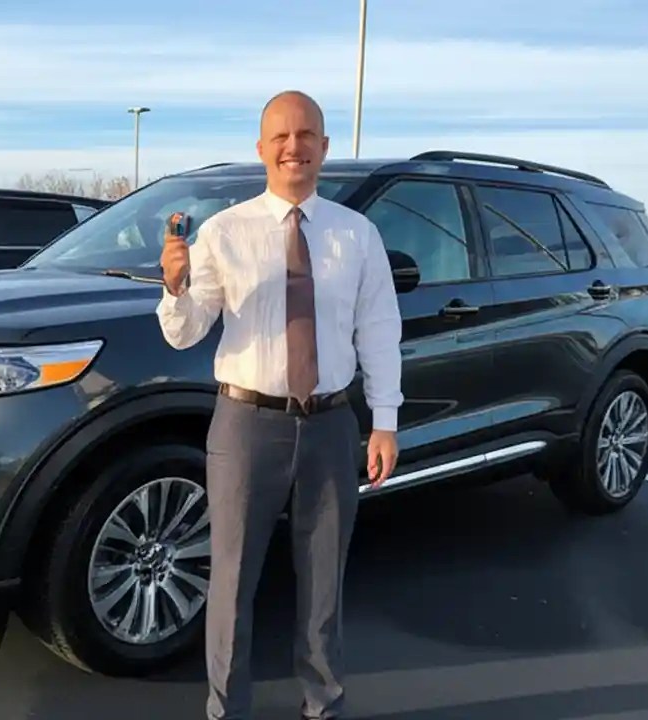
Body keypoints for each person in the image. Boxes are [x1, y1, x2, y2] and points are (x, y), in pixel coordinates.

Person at [155, 90, 403, 720]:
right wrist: (175, 288)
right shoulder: (225, 232)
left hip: (331, 424)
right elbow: (186, 331)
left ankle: (323, 705)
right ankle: (226, 709)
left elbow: (379, 331)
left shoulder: (357, 235)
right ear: (262, 148)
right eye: (281, 137)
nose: (295, 147)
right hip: (246, 426)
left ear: (324, 145)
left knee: (324, 581)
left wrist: (384, 423)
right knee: (232, 580)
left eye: (307, 134)